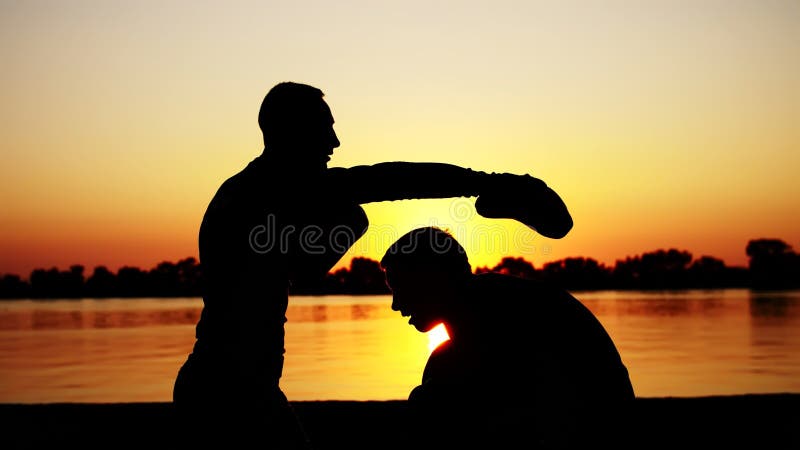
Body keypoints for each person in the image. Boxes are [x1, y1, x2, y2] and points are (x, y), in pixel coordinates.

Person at [171, 81, 573, 448]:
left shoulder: (256, 189)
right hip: (229, 389)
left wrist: (488, 183)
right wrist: (351, 223)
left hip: (234, 384)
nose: (335, 141)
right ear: (291, 132)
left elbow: (388, 179)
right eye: (324, 128)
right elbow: (375, 193)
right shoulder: (260, 194)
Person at [380, 227, 635, 449]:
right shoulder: (488, 302)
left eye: (401, 289)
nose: (395, 304)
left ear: (432, 280)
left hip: (593, 433)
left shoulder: (494, 312)